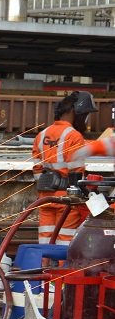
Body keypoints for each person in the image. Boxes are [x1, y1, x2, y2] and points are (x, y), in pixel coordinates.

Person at [33, 90, 97, 244]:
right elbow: (77, 172)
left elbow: (36, 170)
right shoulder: (74, 136)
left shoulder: (41, 135)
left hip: (45, 197)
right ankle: (60, 268)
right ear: (78, 113)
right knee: (65, 241)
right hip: (67, 199)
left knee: (45, 240)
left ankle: (44, 267)